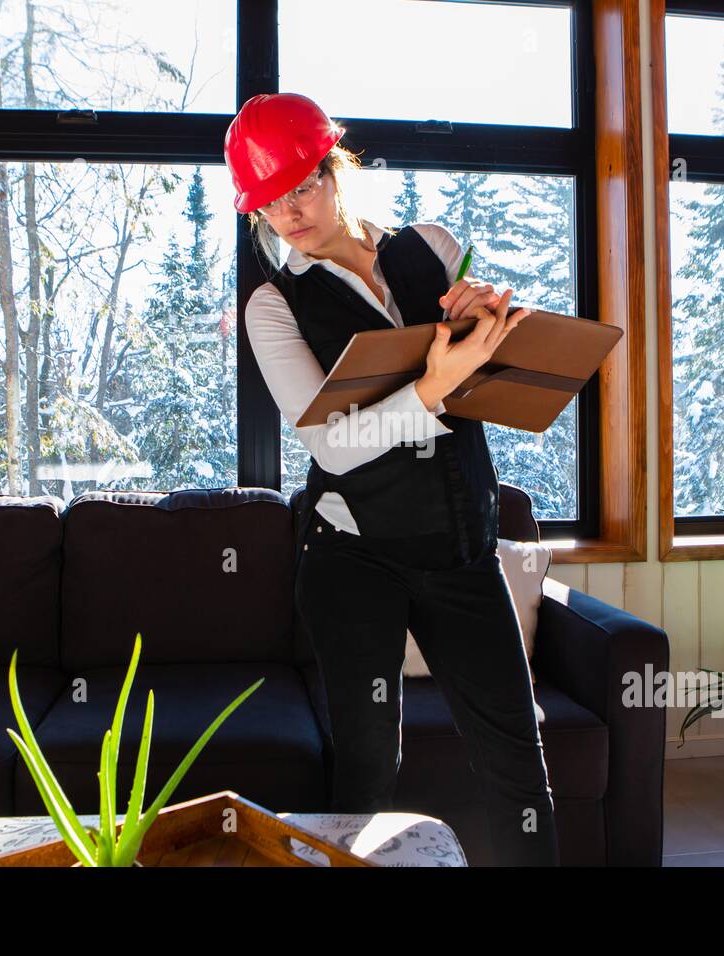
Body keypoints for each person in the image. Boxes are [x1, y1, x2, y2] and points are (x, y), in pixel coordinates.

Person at [225, 92, 560, 866]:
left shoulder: (434, 248)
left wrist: (488, 322)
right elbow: (331, 448)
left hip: (465, 551)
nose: (292, 211)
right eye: (270, 202)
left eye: (303, 186)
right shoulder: (273, 307)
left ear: (337, 169)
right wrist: (432, 388)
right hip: (353, 559)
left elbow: (496, 377)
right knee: (369, 770)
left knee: (519, 762)